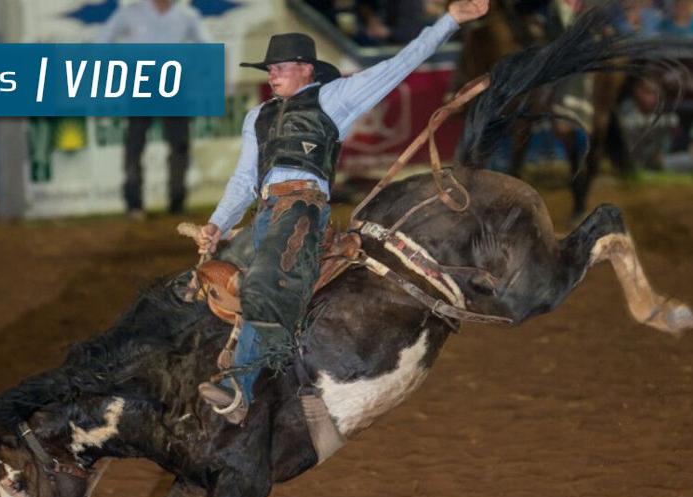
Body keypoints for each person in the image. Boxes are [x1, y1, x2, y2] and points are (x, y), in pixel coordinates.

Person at [193, 0, 491, 423]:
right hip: (266, 214)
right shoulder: (257, 117)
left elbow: (399, 65)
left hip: (301, 212)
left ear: (306, 69)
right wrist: (217, 224)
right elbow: (244, 181)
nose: (272, 73)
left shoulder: (335, 98)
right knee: (206, 286)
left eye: (280, 66)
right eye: (270, 68)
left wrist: (449, 21)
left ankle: (238, 388)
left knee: (264, 282)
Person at [99, 0, 209, 220]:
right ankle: (134, 204)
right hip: (142, 80)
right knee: (135, 143)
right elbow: (102, 40)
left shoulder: (186, 14)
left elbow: (206, 45)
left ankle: (177, 202)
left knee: (179, 143)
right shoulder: (131, 13)